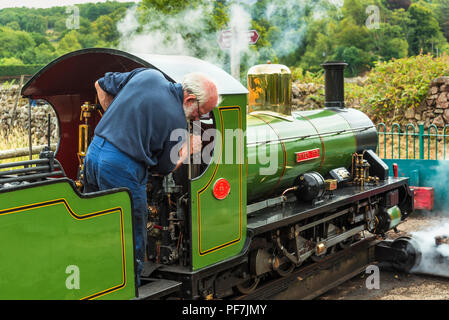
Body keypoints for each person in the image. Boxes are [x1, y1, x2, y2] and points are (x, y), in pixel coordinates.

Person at [83, 67, 219, 286]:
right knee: (132, 232)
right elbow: (164, 168)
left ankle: (93, 279)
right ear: (190, 99)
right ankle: (129, 288)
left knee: (95, 222)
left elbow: (100, 83)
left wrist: (115, 122)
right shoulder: (175, 121)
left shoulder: (148, 75)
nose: (198, 118)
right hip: (121, 167)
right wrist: (186, 151)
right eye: (200, 112)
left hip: (94, 152)